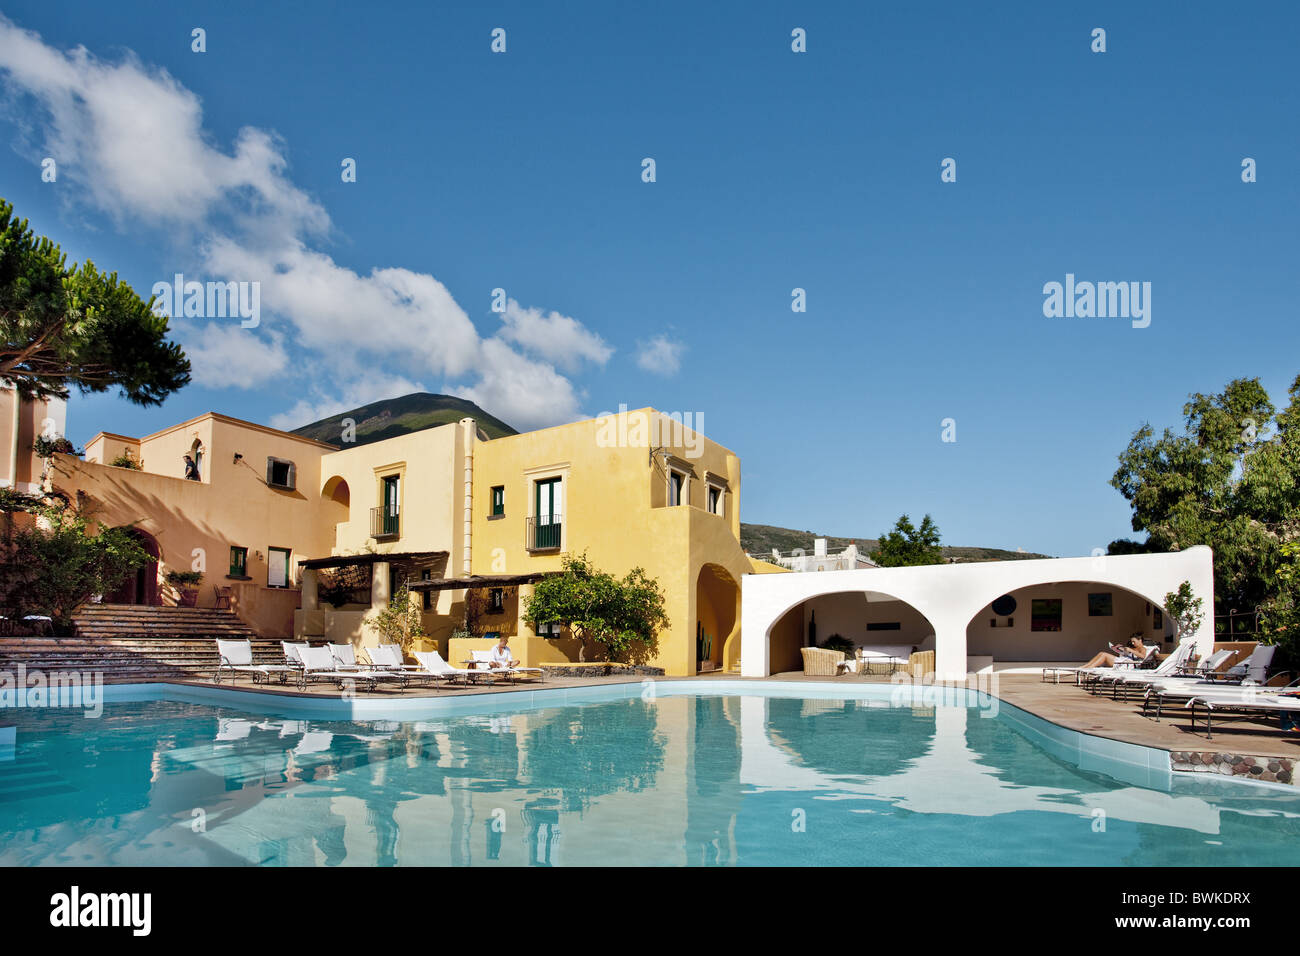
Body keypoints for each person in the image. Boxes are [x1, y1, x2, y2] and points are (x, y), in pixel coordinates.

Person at [1079, 634, 1150, 670]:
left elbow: (1143, 656)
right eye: (1132, 642)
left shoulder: (1143, 649)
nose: (1132, 643)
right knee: (1101, 653)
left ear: (1140, 640)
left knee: (1104, 655)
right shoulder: (1135, 648)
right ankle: (1084, 666)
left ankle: (1089, 668)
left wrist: (1131, 650)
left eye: (1134, 642)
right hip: (1123, 661)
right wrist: (1121, 650)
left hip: (1126, 665)